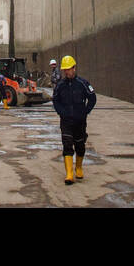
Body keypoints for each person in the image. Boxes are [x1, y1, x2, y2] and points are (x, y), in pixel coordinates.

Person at [51, 55, 96, 185]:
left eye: (69, 69)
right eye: (65, 70)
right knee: (67, 144)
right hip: (66, 121)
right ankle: (69, 174)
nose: (67, 72)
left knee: (80, 145)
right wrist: (61, 112)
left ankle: (79, 168)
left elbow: (92, 98)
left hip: (80, 121)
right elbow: (55, 100)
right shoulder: (60, 86)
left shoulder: (83, 83)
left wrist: (85, 112)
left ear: (74, 68)